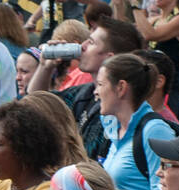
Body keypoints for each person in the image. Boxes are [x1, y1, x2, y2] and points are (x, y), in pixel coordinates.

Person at [27, 15, 144, 160]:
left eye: (92, 43)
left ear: (109, 57)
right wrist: (45, 67)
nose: (82, 46)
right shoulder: (85, 93)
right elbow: (37, 104)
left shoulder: (121, 105)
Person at [98, 52, 176, 190]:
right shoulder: (114, 131)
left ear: (121, 88)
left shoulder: (155, 131)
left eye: (100, 84)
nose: (95, 92)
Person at [113, 0, 179, 80]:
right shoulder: (154, 19)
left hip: (169, 83)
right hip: (149, 79)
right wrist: (118, 4)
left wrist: (134, 2)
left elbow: (150, 35)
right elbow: (125, 33)